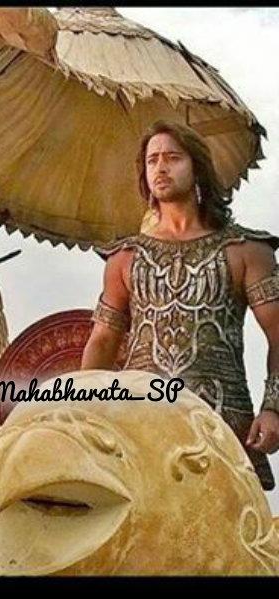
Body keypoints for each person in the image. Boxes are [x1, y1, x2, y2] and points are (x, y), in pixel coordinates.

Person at [81, 119, 279, 490]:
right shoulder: (124, 258)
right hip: (141, 427)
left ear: (197, 168)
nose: (161, 167)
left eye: (172, 158)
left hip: (221, 428)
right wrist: (84, 414)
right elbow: (103, 342)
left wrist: (274, 408)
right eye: (152, 160)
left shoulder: (246, 251)